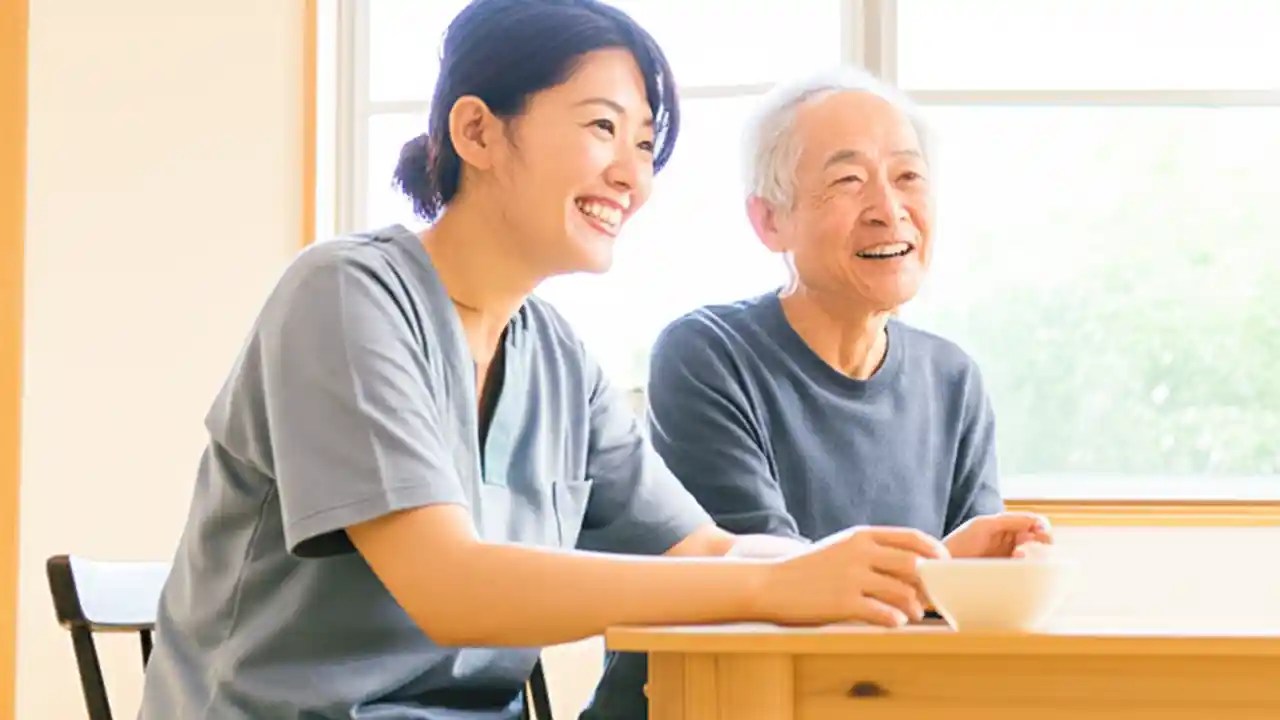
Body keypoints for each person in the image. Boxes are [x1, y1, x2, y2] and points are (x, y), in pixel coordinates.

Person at [136, 5, 969, 719]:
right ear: (477, 131)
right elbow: (450, 585)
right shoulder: (345, 295)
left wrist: (921, 569)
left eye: (644, 144)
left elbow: (708, 552)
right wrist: (775, 592)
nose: (631, 175)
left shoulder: (558, 359)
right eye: (602, 126)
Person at [580, 67, 1053, 719]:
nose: (889, 209)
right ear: (769, 220)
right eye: (848, 180)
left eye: (908, 176)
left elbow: (968, 609)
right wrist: (941, 572)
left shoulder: (953, 380)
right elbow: (772, 593)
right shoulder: (706, 353)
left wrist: (1004, 570)